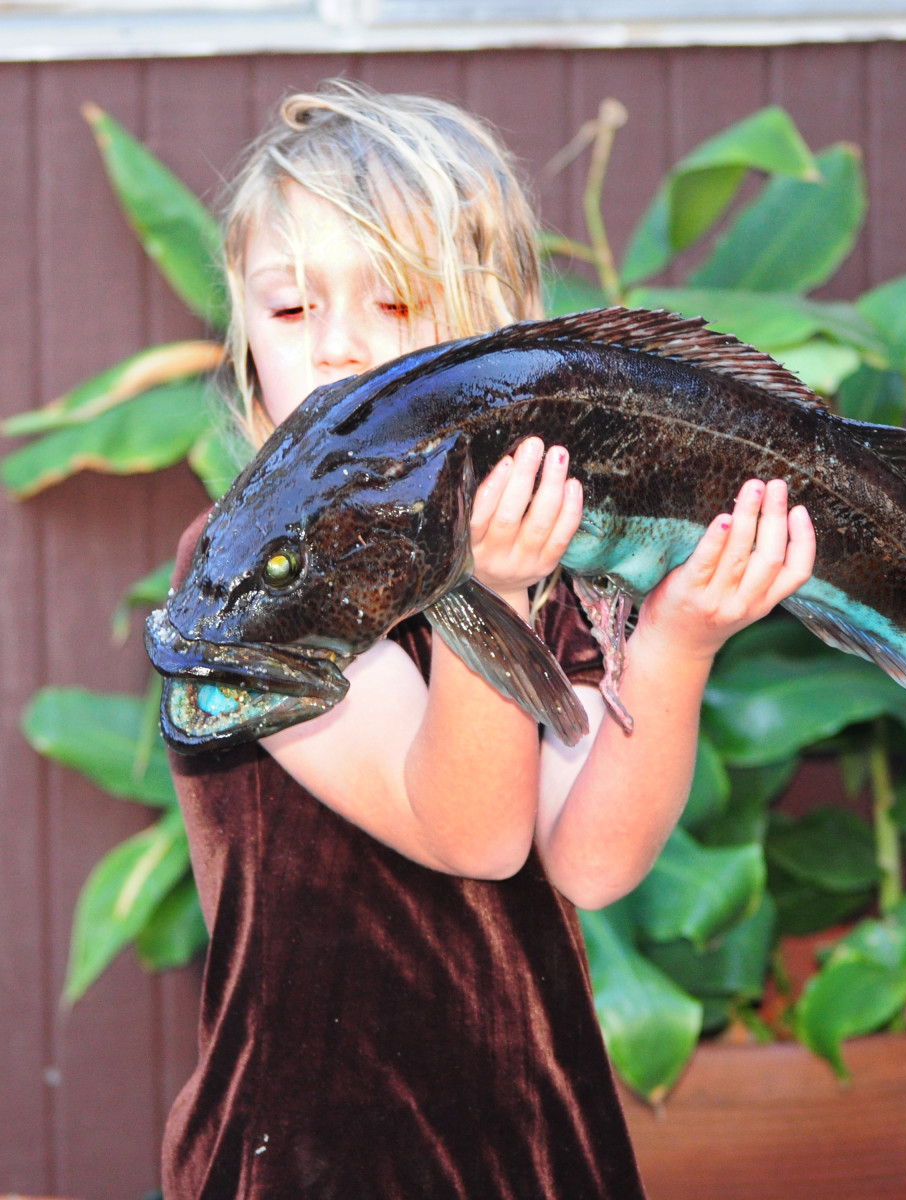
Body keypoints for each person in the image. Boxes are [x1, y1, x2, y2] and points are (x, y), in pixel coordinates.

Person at [163, 79, 816, 1199]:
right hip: (310, 1159)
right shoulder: (243, 580)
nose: (340, 349)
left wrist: (676, 644)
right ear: (242, 327)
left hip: (534, 1150)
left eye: (398, 305)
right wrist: (496, 598)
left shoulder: (551, 554)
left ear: (501, 329)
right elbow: (472, 835)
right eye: (290, 310)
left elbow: (592, 861)